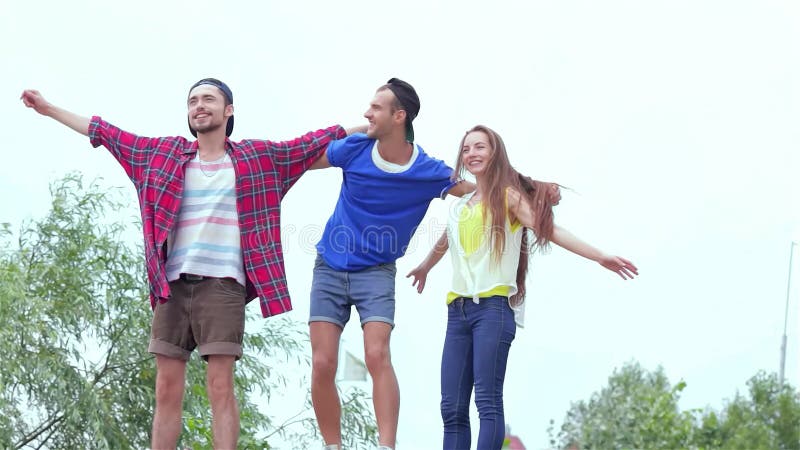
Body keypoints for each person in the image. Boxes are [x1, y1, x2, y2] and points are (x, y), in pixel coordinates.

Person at [20, 79, 363, 449]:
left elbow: (315, 141)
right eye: (192, 101)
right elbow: (107, 133)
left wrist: (374, 127)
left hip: (223, 285)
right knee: (166, 386)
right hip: (173, 285)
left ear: (228, 110)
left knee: (220, 385)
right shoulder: (162, 155)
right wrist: (48, 108)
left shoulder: (257, 158)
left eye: (208, 99)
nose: (199, 106)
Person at [406, 125, 638, 450]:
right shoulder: (460, 205)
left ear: (494, 153)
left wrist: (600, 256)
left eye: (479, 147)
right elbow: (448, 239)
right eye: (467, 148)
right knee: (452, 408)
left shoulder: (508, 198)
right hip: (457, 313)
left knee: (487, 402)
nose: (471, 153)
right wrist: (425, 266)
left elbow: (551, 230)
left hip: (493, 311)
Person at [306, 78, 476, 450]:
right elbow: (301, 158)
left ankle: (387, 446)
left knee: (377, 353)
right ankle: (332, 446)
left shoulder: (428, 170)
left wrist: (531, 187)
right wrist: (353, 129)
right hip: (330, 266)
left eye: (376, 108)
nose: (368, 113)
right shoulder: (355, 149)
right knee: (322, 363)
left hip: (376, 273)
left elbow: (478, 190)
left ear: (399, 116)